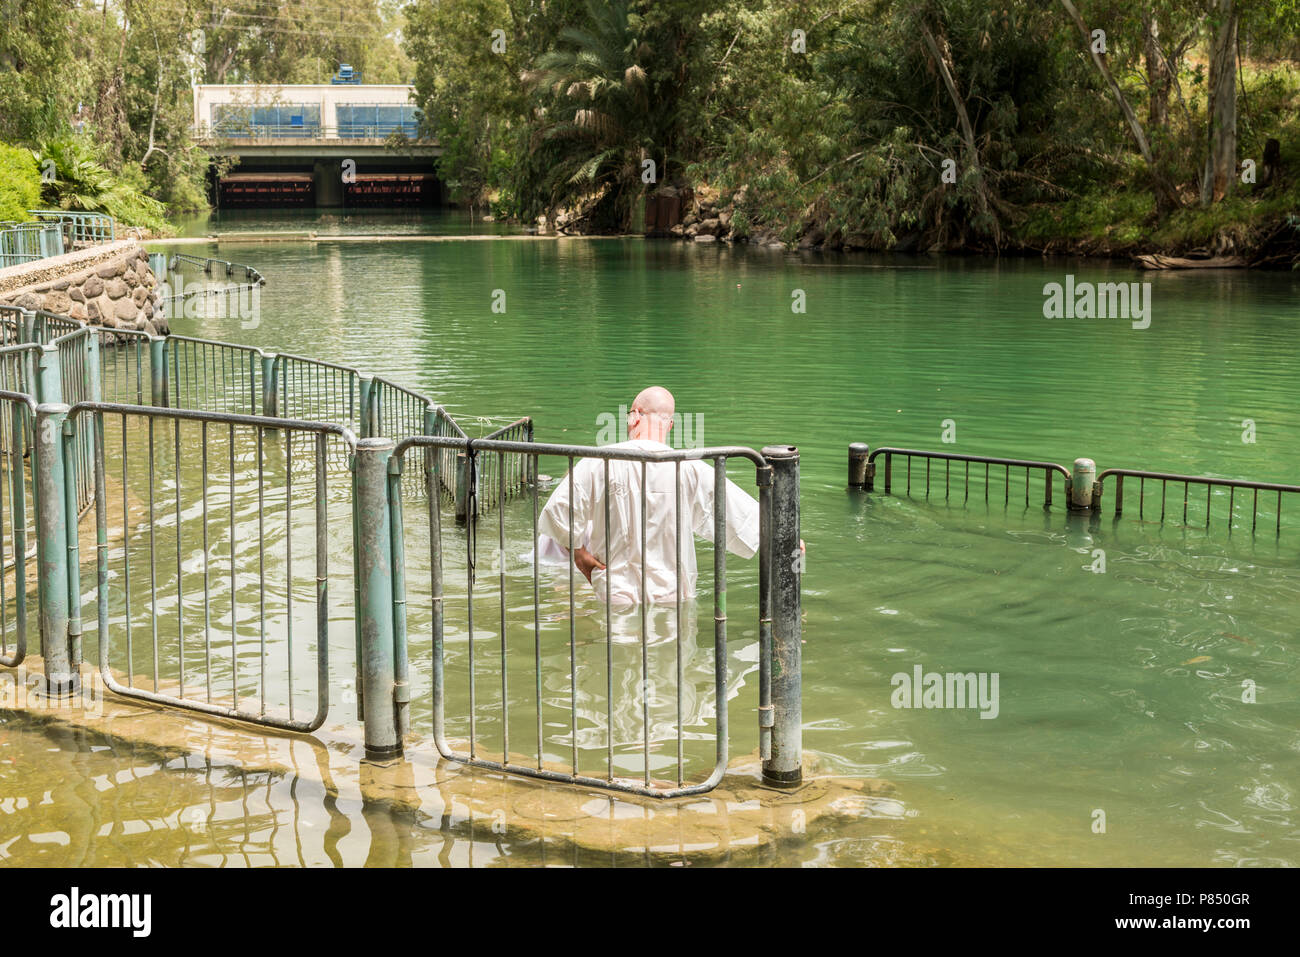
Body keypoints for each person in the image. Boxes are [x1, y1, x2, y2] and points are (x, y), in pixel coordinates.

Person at [536, 386, 760, 608]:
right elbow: (743, 519)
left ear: (634, 417)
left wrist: (579, 554)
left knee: (613, 643)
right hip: (674, 595)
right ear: (670, 425)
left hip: (616, 595)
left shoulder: (598, 462)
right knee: (676, 643)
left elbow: (557, 510)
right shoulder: (690, 468)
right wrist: (786, 538)